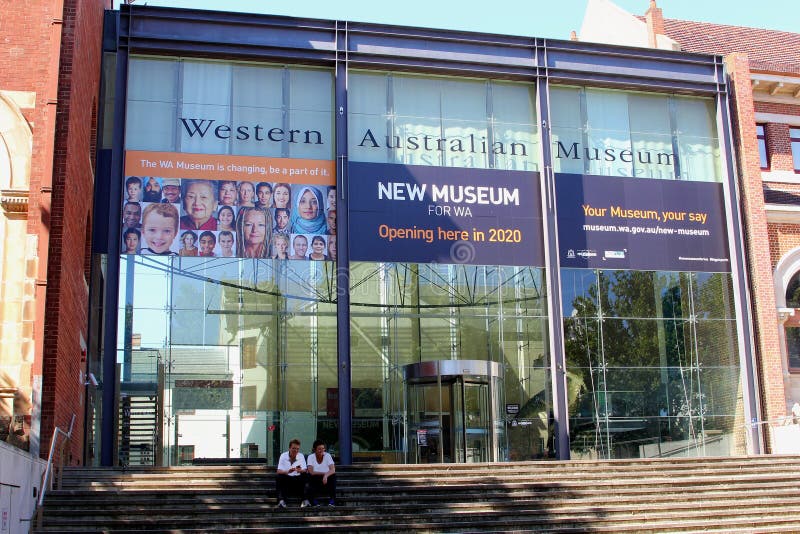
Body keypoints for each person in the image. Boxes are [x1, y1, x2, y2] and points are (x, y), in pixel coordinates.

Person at [275, 438, 310, 508]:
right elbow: (278, 471)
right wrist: (287, 471)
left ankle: (305, 500)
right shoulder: (283, 455)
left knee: (306, 475)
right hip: (287, 479)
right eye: (294, 448)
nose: (295, 450)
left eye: (297, 449)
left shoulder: (301, 456)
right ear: (289, 448)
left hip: (297, 480)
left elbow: (305, 469)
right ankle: (281, 501)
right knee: (279, 476)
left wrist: (300, 470)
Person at [306, 439, 336, 507]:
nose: (322, 450)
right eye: (319, 449)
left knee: (333, 476)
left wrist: (326, 475)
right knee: (309, 476)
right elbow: (311, 472)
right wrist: (324, 474)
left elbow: (333, 470)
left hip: (326, 481)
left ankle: (332, 500)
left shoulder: (327, 455)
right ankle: (313, 501)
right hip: (315, 481)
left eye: (323, 448)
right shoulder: (310, 457)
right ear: (314, 450)